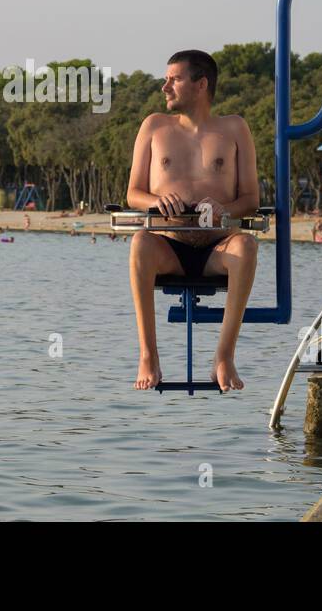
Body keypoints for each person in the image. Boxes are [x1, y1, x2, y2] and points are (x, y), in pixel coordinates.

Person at [125, 50, 260, 392]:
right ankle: (147, 355)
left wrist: (224, 210)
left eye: (175, 79)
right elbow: (133, 193)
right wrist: (157, 201)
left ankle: (224, 357)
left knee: (246, 244)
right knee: (140, 241)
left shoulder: (234, 128)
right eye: (166, 78)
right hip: (168, 246)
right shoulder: (154, 126)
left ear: (201, 85)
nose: (165, 86)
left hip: (219, 248)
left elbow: (251, 200)